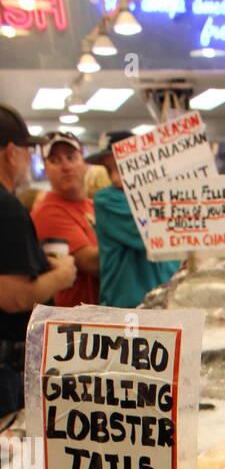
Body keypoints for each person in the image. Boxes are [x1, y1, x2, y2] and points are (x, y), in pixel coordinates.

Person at [0, 105, 76, 422]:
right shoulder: (7, 207)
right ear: (10, 152)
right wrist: (62, 275)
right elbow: (13, 295)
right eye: (29, 151)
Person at [87, 131, 181, 310]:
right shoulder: (107, 200)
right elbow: (155, 233)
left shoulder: (163, 197)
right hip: (126, 312)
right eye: (109, 170)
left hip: (169, 305)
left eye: (123, 167)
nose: (115, 178)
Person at [31, 131, 99, 307]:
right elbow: (91, 263)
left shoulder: (94, 205)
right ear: (45, 169)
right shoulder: (48, 212)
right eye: (55, 161)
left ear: (83, 162)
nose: (66, 166)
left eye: (71, 157)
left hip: (101, 317)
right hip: (75, 323)